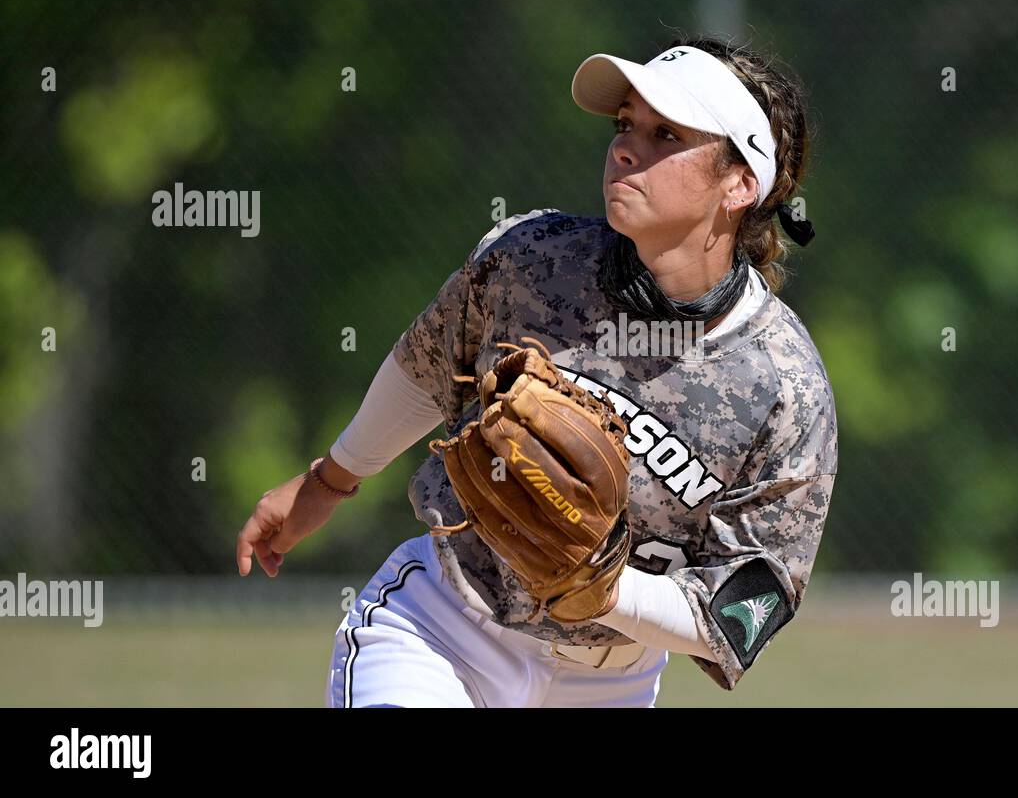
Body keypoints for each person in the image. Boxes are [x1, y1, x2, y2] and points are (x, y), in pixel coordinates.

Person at [235, 34, 838, 707]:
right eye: (624, 125)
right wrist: (330, 478)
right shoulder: (537, 262)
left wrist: (603, 585)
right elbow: (430, 362)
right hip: (445, 628)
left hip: (609, 683)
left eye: (665, 132)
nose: (624, 148)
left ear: (739, 184)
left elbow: (741, 610)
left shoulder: (785, 387)